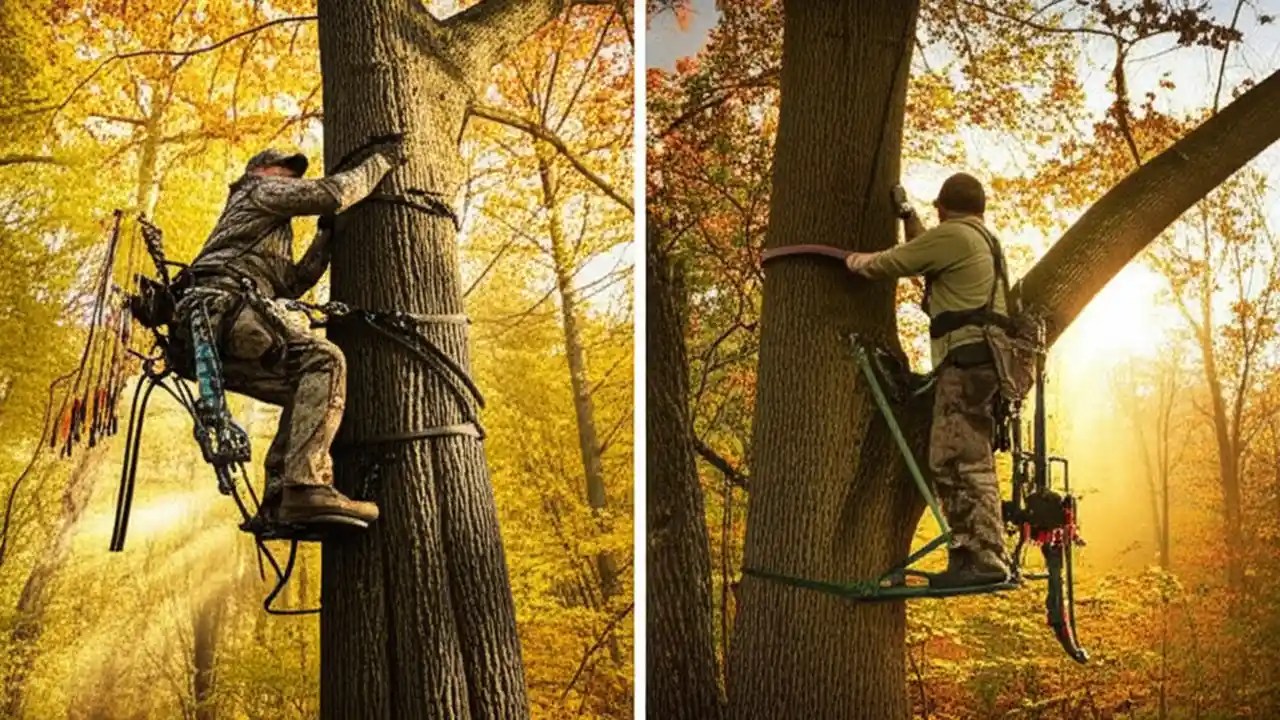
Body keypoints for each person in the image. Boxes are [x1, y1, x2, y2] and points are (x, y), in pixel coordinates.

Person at [172, 141, 405, 530]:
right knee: (323, 361)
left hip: (215, 330)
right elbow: (335, 193)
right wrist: (382, 161)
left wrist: (326, 235)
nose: (292, 180)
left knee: (306, 387)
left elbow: (293, 282)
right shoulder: (259, 190)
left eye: (295, 175)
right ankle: (305, 486)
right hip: (223, 311)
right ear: (260, 171)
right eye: (285, 171)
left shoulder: (266, 230)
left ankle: (281, 499)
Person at [844, 173, 1012, 588]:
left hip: (965, 365)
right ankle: (978, 555)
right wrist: (907, 215)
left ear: (943, 208)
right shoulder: (980, 239)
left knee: (956, 458)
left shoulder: (955, 236)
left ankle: (981, 559)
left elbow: (893, 262)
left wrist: (851, 261)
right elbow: (926, 252)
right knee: (965, 457)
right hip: (983, 364)